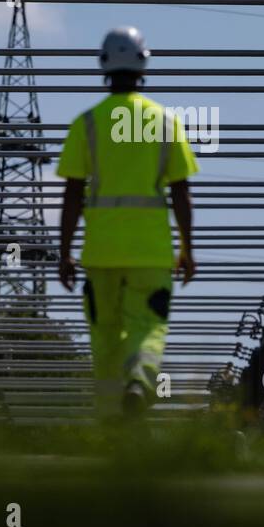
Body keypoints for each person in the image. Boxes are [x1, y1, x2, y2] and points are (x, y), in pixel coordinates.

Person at [56, 26, 199, 420]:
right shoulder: (167, 122)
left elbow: (71, 196)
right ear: (143, 63)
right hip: (151, 253)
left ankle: (107, 422)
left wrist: (64, 253)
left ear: (103, 65)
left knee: (103, 338)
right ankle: (139, 379)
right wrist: (187, 249)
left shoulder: (85, 125)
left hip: (100, 253)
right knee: (148, 327)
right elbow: (181, 194)